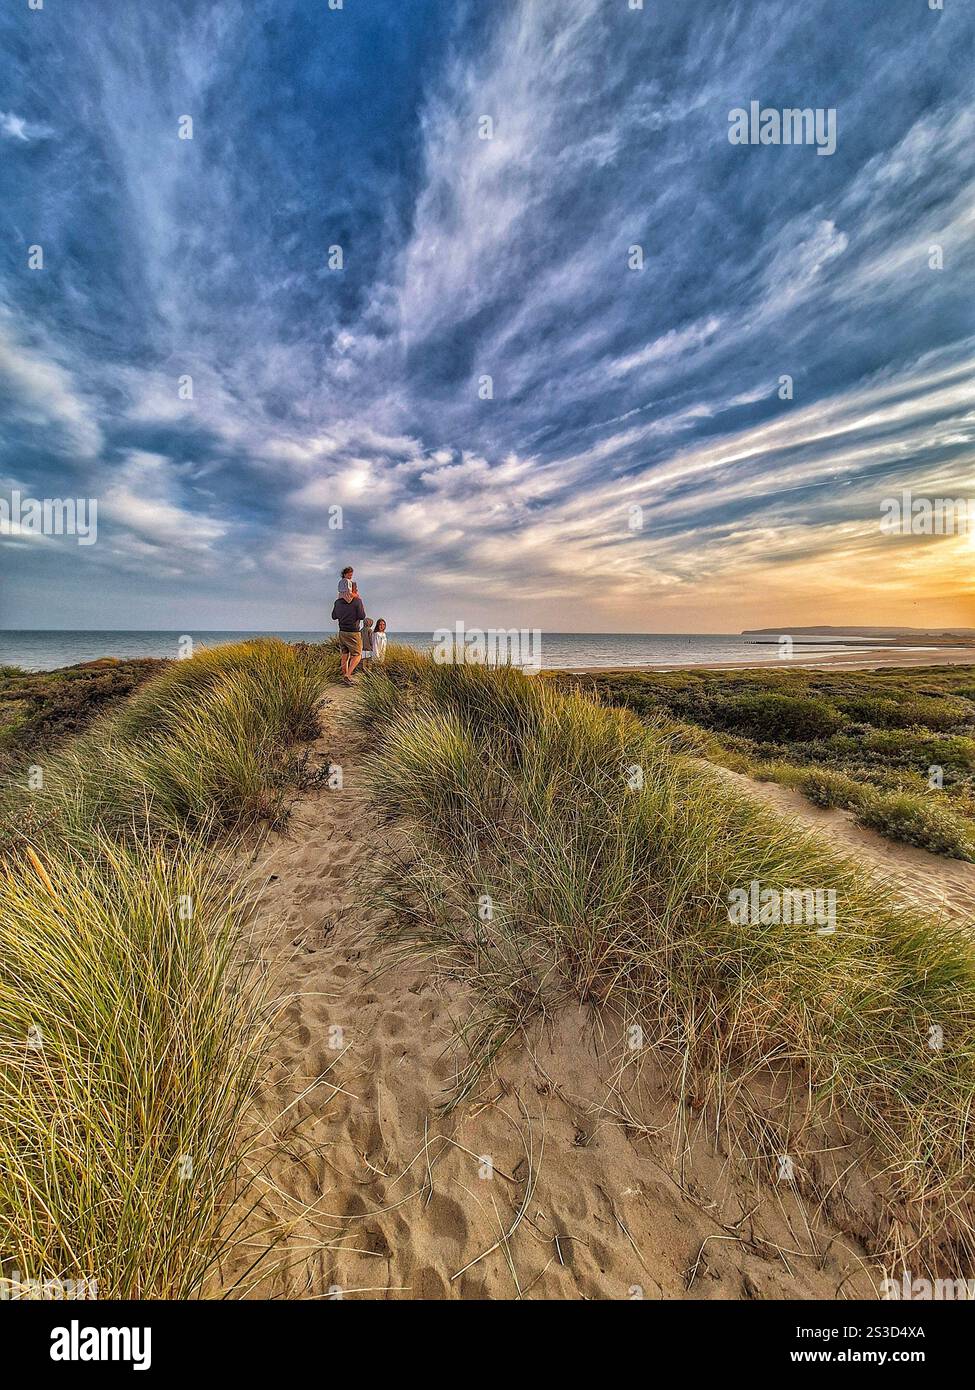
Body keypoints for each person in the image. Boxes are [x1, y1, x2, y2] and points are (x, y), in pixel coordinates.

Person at [331, 588, 365, 684]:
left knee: (344, 655)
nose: (357, 591)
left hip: (342, 631)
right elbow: (362, 616)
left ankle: (345, 677)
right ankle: (348, 675)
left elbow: (334, 616)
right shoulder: (357, 601)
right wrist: (359, 602)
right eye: (356, 589)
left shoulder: (338, 602)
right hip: (353, 632)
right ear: (352, 590)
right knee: (357, 654)